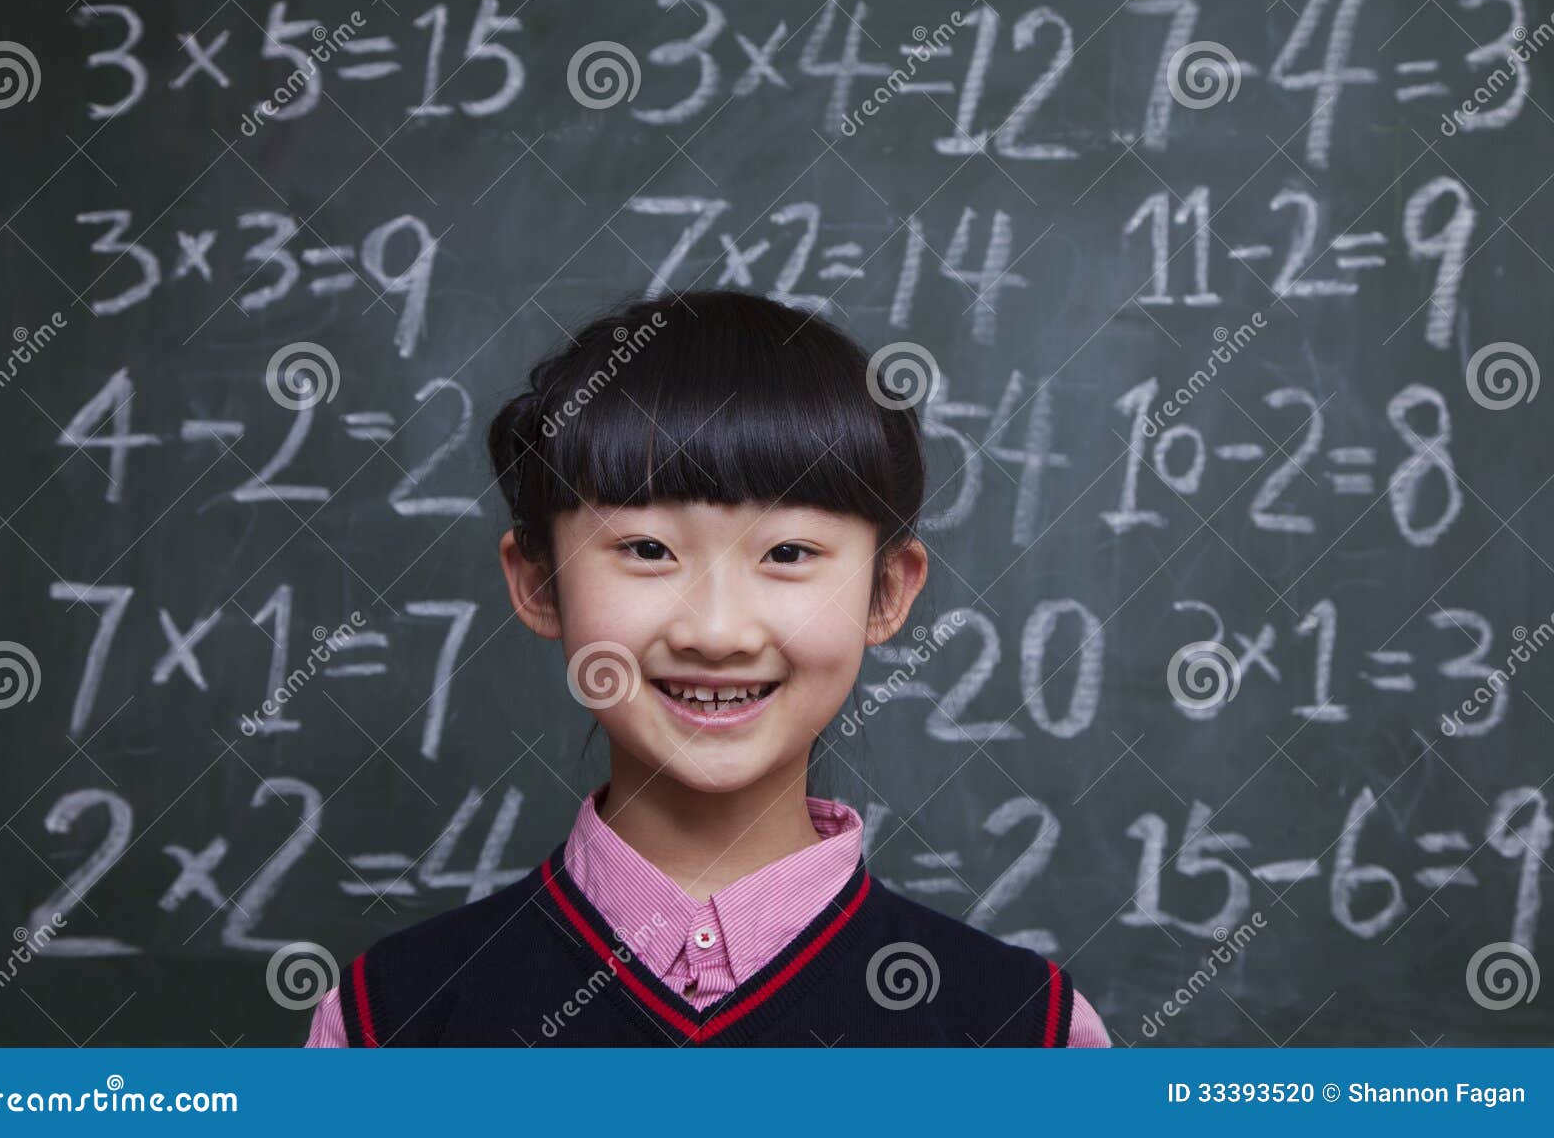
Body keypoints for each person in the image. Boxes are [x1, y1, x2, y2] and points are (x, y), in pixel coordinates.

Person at [304, 288, 1110, 1046]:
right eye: (647, 548)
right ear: (540, 583)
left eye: (788, 552)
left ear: (888, 590)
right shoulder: (390, 1020)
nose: (717, 632)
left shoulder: (1026, 1034)